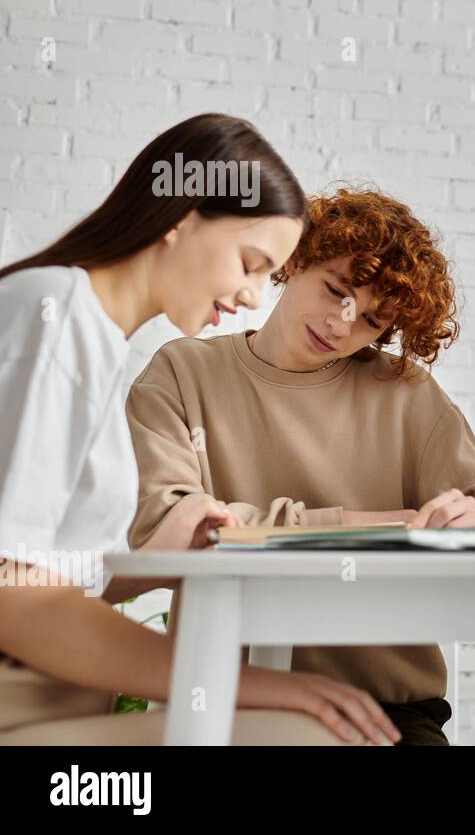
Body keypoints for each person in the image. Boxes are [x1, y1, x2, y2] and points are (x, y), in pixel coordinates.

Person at [0, 114, 399, 745]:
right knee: (312, 735)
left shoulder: (97, 339)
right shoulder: (57, 319)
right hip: (20, 710)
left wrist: (152, 563)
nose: (249, 297)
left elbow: (38, 572)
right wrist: (245, 682)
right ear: (181, 215)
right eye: (249, 263)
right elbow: (12, 597)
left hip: (61, 706)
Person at [127, 185, 475, 746]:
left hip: (386, 712)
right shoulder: (183, 372)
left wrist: (474, 530)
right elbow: (165, 525)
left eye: (371, 321)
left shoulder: (405, 393)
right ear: (295, 259)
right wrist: (369, 525)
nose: (342, 325)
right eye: (336, 291)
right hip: (224, 702)